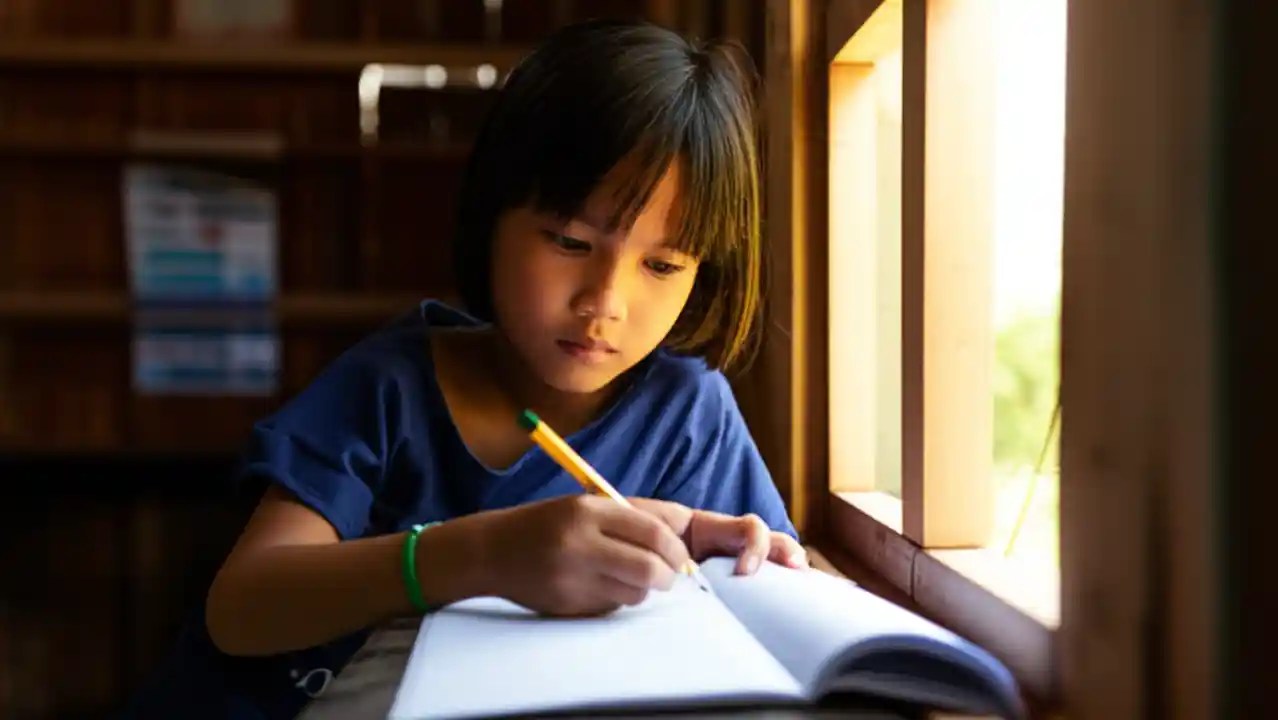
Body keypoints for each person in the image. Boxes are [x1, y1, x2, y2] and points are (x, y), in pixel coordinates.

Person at [125, 17, 805, 720]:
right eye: (571, 241)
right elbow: (241, 607)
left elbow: (753, 614)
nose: (606, 302)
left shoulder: (687, 419)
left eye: (663, 265)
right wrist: (485, 555)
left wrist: (750, 568)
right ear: (491, 219)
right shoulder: (392, 388)